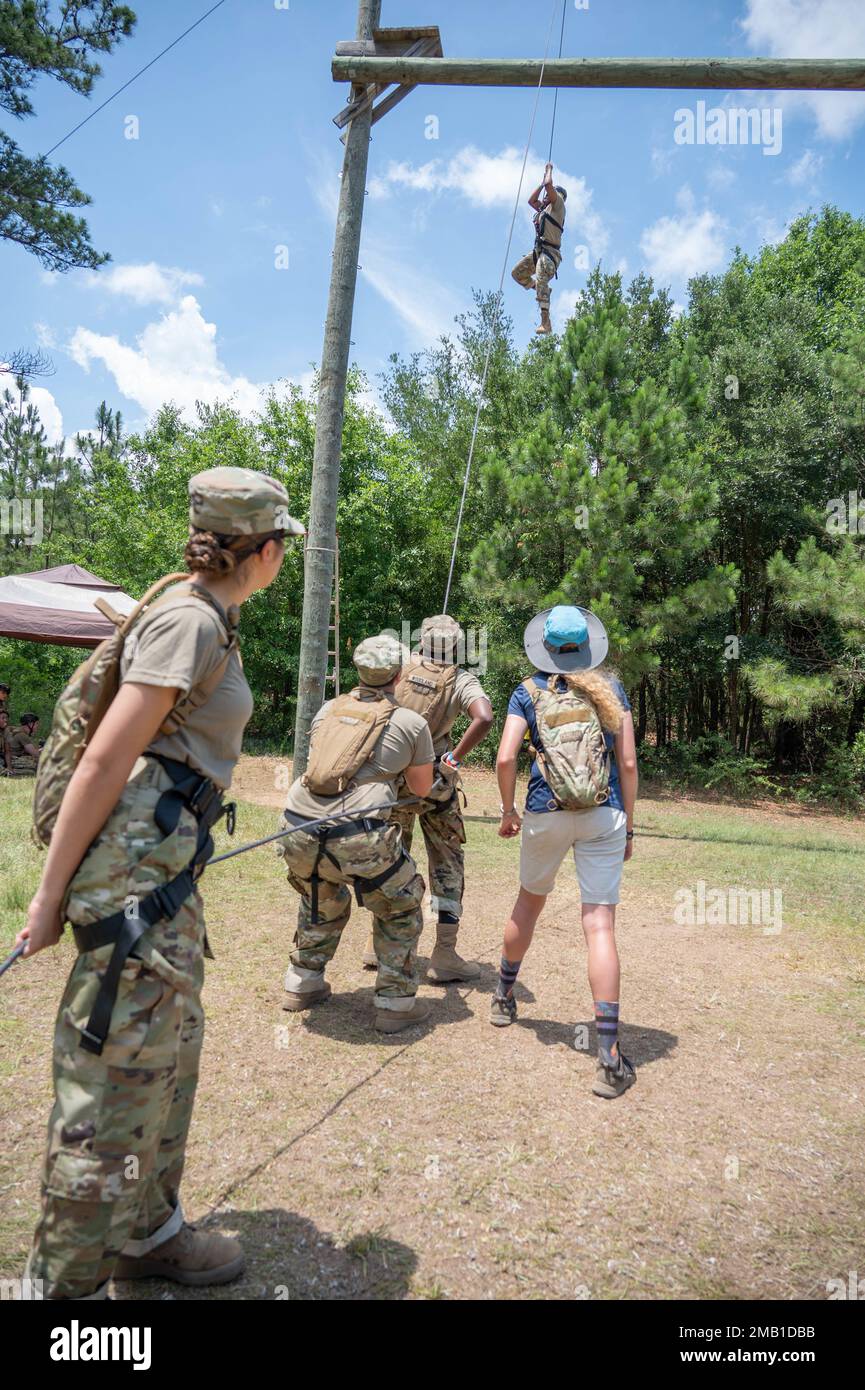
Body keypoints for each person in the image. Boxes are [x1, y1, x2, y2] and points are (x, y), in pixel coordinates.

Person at [17, 466, 305, 1300]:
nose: (284, 553)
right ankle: (60, 1292)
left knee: (167, 1056)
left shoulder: (208, 614)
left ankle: (149, 1233)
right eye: (282, 541)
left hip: (165, 871)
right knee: (115, 1080)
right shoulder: (188, 621)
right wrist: (47, 898)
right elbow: (106, 758)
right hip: (136, 884)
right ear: (263, 549)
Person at [491, 605, 639, 1101]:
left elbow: (507, 755)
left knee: (528, 903)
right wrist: (630, 826)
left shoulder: (526, 692)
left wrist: (509, 810)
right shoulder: (610, 690)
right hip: (605, 812)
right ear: (587, 647)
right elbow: (629, 762)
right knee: (599, 925)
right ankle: (610, 1057)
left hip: (544, 812)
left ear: (546, 648)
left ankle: (503, 997)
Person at [278, 633, 435, 1034]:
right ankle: (395, 1003)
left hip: (298, 828)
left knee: (319, 893)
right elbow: (420, 788)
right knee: (399, 906)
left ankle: (302, 982)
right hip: (359, 836)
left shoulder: (327, 710)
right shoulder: (410, 722)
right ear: (399, 676)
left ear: (360, 671)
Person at [362, 614, 493, 982]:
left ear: (422, 642)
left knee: (391, 857)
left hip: (396, 779)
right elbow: (484, 717)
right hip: (435, 783)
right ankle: (445, 954)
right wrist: (453, 759)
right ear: (457, 648)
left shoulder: (402, 664)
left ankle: (378, 946)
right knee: (447, 860)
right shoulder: (461, 680)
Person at [510, 162, 567, 336]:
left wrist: (548, 171)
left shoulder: (558, 208)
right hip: (539, 252)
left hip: (551, 255)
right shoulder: (544, 209)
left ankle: (545, 321)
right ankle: (542, 289)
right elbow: (531, 201)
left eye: (552, 193)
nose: (547, 195)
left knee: (541, 271)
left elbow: (550, 185)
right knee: (517, 273)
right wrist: (541, 184)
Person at [0, 707, 11, 774]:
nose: (5, 720)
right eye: (3, 718)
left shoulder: (6, 732)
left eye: (6, 718)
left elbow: (7, 751)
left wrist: (9, 767)